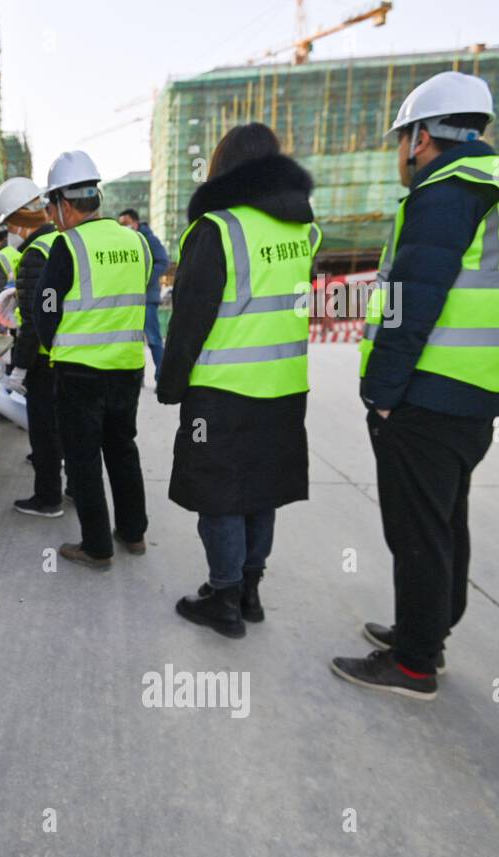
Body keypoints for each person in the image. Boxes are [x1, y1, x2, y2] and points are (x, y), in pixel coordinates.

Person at [332, 71, 499, 700]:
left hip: (429, 394)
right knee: (444, 522)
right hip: (474, 393)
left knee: (417, 530)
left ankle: (415, 663)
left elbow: (406, 303)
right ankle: (427, 632)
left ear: (421, 137)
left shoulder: (445, 189)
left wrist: (382, 394)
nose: (401, 153)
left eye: (401, 139)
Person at [156, 123, 320, 638]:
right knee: (260, 491)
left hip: (222, 392)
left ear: (224, 168)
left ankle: (223, 598)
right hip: (284, 387)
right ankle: (250, 592)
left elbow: (189, 320)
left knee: (219, 495)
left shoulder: (218, 230)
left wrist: (170, 383)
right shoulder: (303, 231)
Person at [35, 150, 151, 568]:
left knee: (84, 459)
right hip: (127, 367)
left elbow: (45, 306)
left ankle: (97, 546)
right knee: (123, 449)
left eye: (51, 206)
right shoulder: (136, 241)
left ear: (66, 204)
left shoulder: (68, 245)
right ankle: (133, 533)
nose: (52, 216)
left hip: (80, 372)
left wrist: (55, 346)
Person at [0, 176, 66, 517]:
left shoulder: (35, 253)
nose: (8, 231)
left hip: (43, 360)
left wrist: (20, 365)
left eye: (9, 223)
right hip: (67, 354)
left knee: (44, 434)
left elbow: (36, 319)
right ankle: (73, 492)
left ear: (19, 220)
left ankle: (48, 498)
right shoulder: (61, 241)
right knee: (66, 431)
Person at [118, 209, 170, 380]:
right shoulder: (125, 240)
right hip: (131, 299)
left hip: (147, 298)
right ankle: (137, 377)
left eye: (125, 223)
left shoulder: (149, 239)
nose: (123, 227)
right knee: (133, 340)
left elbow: (163, 261)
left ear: (135, 222)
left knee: (153, 338)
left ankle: (162, 376)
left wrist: (144, 278)